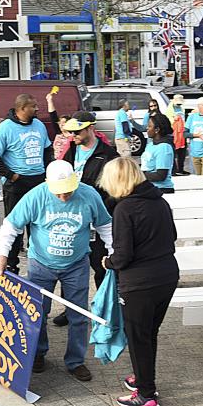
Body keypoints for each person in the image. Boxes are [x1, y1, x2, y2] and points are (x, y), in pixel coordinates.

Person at [0, 160, 113, 382]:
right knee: (37, 312)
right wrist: (2, 256)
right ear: (48, 184)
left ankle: (76, 361)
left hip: (76, 263)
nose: (64, 197)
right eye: (59, 193)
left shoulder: (89, 195)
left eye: (68, 192)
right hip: (41, 264)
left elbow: (105, 225)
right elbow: (11, 226)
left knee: (78, 315)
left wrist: (114, 252)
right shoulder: (36, 196)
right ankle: (38, 353)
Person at [98, 157, 179, 406]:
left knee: (138, 337)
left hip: (140, 282)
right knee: (148, 333)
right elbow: (173, 236)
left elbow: (123, 255)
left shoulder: (125, 209)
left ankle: (146, 394)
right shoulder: (160, 201)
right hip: (166, 275)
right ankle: (143, 378)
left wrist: (107, 262)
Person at [0, 93, 54, 274]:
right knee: (15, 226)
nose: (37, 108)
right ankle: (10, 266)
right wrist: (12, 176)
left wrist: (49, 171)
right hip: (17, 184)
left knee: (39, 225)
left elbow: (48, 150)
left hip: (39, 182)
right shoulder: (5, 128)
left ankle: (40, 264)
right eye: (33, 106)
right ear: (22, 108)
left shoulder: (39, 125)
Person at [61, 111, 119, 287]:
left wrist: (99, 208)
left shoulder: (109, 155)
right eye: (71, 132)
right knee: (70, 268)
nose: (73, 136)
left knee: (101, 266)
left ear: (90, 128)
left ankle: (105, 309)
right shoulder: (70, 151)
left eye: (77, 132)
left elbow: (115, 191)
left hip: (98, 220)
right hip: (72, 218)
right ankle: (71, 312)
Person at [140, 114, 175, 193]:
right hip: (150, 188)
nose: (147, 128)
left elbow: (161, 175)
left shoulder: (164, 148)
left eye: (149, 126)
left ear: (157, 130)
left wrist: (139, 174)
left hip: (161, 190)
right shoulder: (150, 145)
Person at [165, 95, 188, 175]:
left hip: (182, 132)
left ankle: (180, 169)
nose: (179, 105)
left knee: (182, 152)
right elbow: (168, 120)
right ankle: (174, 170)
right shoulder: (169, 110)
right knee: (174, 152)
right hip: (173, 133)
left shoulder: (181, 108)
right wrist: (174, 119)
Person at [45, 92, 71, 159]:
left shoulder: (74, 136)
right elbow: (52, 115)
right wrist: (49, 101)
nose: (61, 124)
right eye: (60, 122)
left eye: (64, 122)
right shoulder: (59, 133)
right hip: (57, 162)